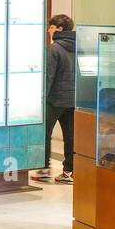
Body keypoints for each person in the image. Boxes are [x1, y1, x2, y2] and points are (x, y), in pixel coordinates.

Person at [34, 14, 76, 184]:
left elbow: (48, 76)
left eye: (51, 27)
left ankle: (44, 170)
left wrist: (41, 98)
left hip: (55, 99)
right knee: (71, 136)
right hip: (73, 99)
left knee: (44, 134)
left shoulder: (54, 49)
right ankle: (69, 172)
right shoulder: (78, 47)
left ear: (59, 29)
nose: (48, 30)